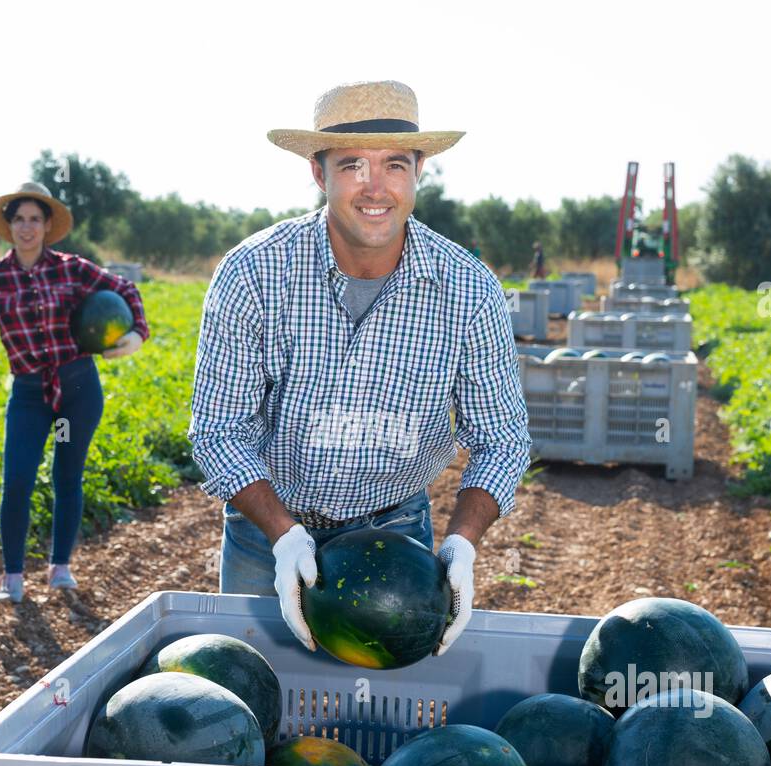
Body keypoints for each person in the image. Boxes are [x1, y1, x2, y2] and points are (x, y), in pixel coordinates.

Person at [189, 80, 533, 658]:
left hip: (394, 537)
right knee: (256, 697)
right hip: (267, 532)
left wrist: (463, 543)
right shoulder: (252, 274)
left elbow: (502, 440)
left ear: (419, 170)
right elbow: (219, 430)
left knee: (373, 716)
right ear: (319, 174)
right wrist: (283, 534)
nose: (376, 187)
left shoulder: (469, 290)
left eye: (395, 164)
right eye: (352, 165)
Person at [0, 181, 149, 603]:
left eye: (35, 219)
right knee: (18, 480)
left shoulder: (72, 268)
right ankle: (12, 576)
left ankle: (60, 567)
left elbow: (126, 290)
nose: (27, 227)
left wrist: (136, 333)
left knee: (67, 476)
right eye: (19, 219)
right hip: (28, 393)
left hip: (77, 386)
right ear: (9, 227)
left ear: (46, 226)